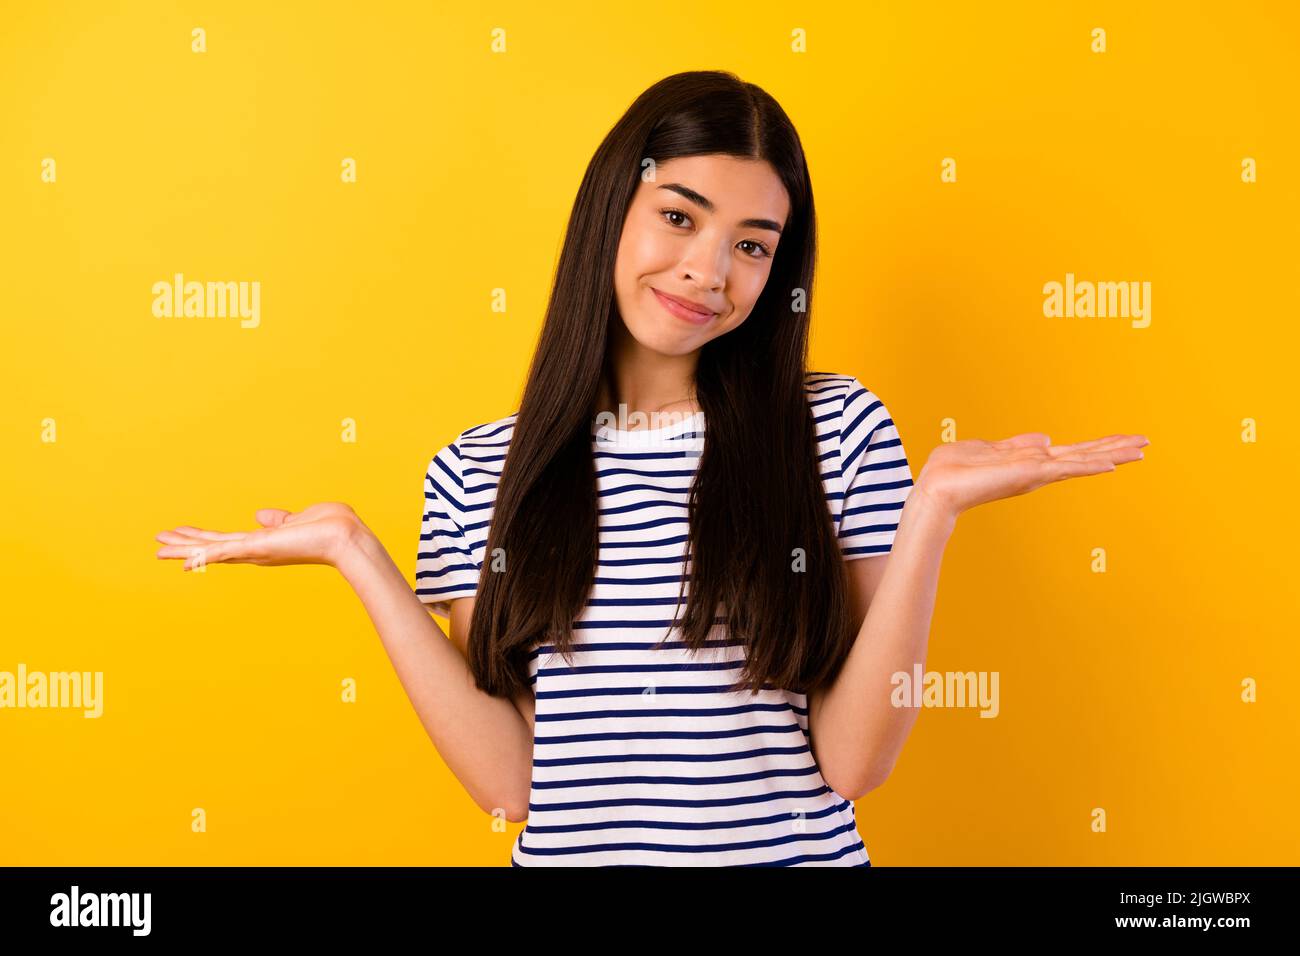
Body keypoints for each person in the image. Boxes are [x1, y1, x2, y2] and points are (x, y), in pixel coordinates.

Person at [155, 70, 1147, 866]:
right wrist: (354, 552)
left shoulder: (835, 429)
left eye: (751, 245)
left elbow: (852, 763)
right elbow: (511, 785)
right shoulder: (478, 470)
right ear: (612, 208)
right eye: (680, 216)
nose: (709, 272)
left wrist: (931, 509)